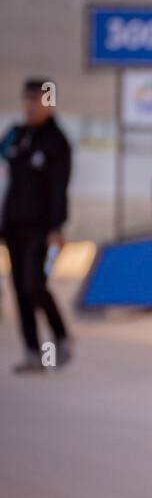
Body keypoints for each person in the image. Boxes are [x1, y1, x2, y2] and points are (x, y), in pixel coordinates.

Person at [1, 78, 72, 373]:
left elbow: (60, 187)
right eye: (28, 99)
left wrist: (57, 227)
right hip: (13, 226)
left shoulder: (57, 141)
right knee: (18, 288)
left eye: (38, 100)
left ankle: (60, 336)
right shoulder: (15, 136)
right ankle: (33, 352)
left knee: (34, 285)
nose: (32, 106)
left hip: (42, 229)